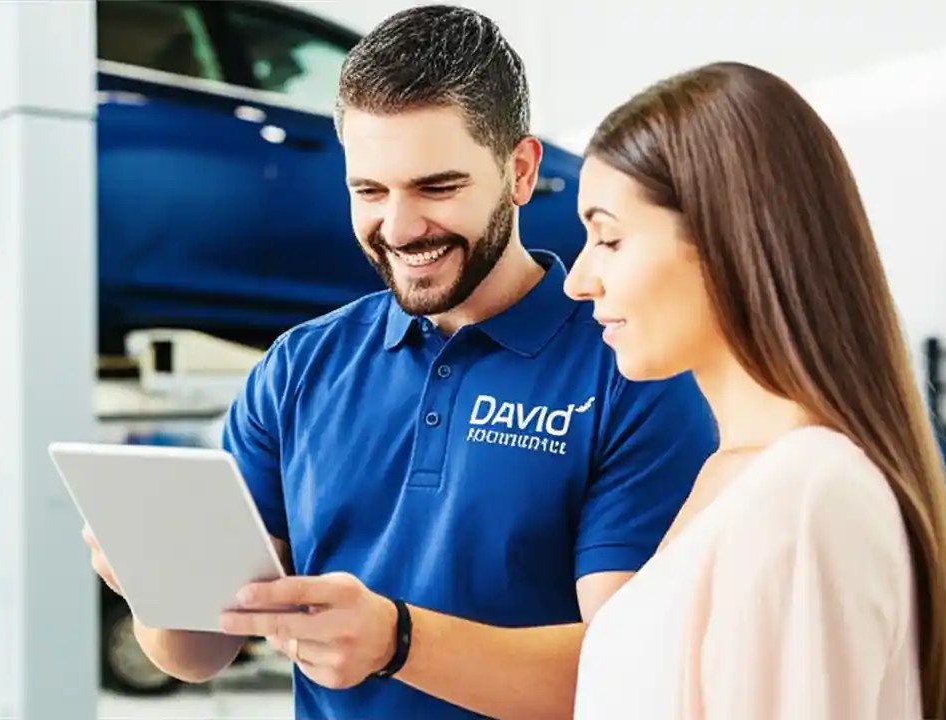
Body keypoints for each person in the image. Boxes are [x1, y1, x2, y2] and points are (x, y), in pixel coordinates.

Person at [85, 6, 719, 719]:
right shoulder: (299, 368)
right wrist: (155, 581)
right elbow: (198, 654)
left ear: (519, 170)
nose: (400, 226)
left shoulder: (628, 370)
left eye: (436, 187)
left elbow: (630, 673)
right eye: (370, 191)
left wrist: (399, 641)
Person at [565, 61, 946, 720]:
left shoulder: (808, 494)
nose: (579, 279)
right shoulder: (739, 480)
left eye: (608, 237)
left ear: (724, 239)